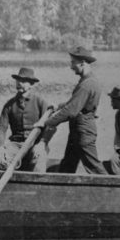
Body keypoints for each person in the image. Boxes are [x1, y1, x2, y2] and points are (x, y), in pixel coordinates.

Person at [36, 45, 107, 174]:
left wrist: (47, 123)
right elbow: (75, 103)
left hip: (84, 131)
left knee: (94, 167)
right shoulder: (86, 81)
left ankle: (112, 190)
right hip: (77, 130)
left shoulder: (87, 84)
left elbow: (71, 111)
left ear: (83, 63)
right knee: (68, 164)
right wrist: (58, 106)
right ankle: (60, 190)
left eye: (73, 62)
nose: (71, 66)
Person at [0, 66, 53, 172]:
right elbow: (1, 128)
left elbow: (50, 126)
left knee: (38, 162)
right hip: (15, 145)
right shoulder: (9, 105)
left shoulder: (40, 102)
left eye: (24, 81)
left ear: (31, 85)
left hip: (35, 144)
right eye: (18, 80)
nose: (20, 83)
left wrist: (43, 143)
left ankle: (34, 187)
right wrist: (0, 147)